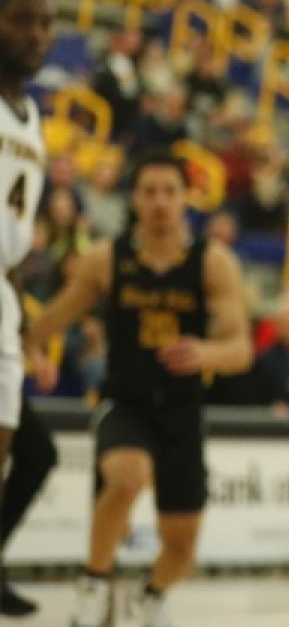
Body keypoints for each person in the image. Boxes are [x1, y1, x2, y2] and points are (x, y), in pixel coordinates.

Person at [26, 152, 252, 627]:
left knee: (181, 548)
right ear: (134, 199)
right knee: (127, 478)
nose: (160, 202)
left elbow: (240, 350)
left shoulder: (213, 263)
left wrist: (205, 353)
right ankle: (94, 584)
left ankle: (152, 595)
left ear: (186, 199)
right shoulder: (107, 259)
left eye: (170, 191)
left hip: (182, 411)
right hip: (125, 401)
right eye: (149, 192)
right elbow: (54, 317)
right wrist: (28, 348)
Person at [0, 0, 58, 616]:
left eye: (45, 24)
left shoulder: (33, 119)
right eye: (21, 20)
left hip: (3, 290)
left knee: (19, 446)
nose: (37, 35)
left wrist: (22, 325)